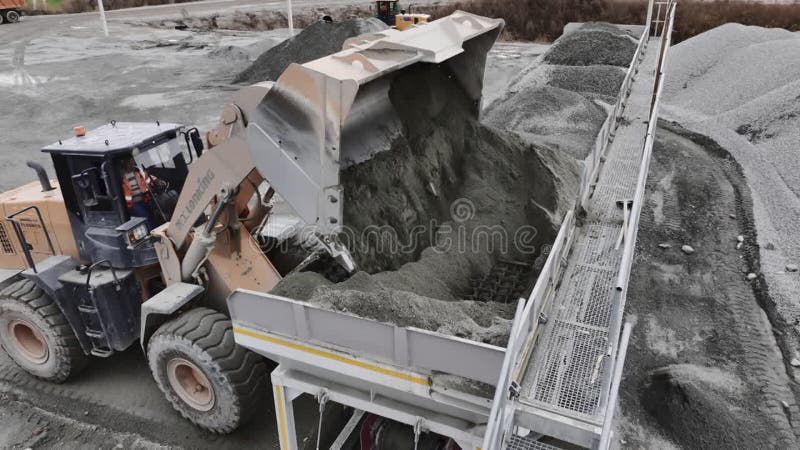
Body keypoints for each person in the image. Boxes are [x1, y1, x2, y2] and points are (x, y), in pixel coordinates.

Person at [120, 158, 161, 229]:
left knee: (156, 210)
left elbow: (148, 179)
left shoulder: (139, 171)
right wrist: (130, 206)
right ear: (125, 165)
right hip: (135, 203)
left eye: (132, 163)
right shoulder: (122, 177)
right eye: (129, 163)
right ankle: (152, 231)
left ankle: (159, 225)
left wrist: (156, 181)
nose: (132, 165)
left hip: (146, 197)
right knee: (145, 216)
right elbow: (127, 194)